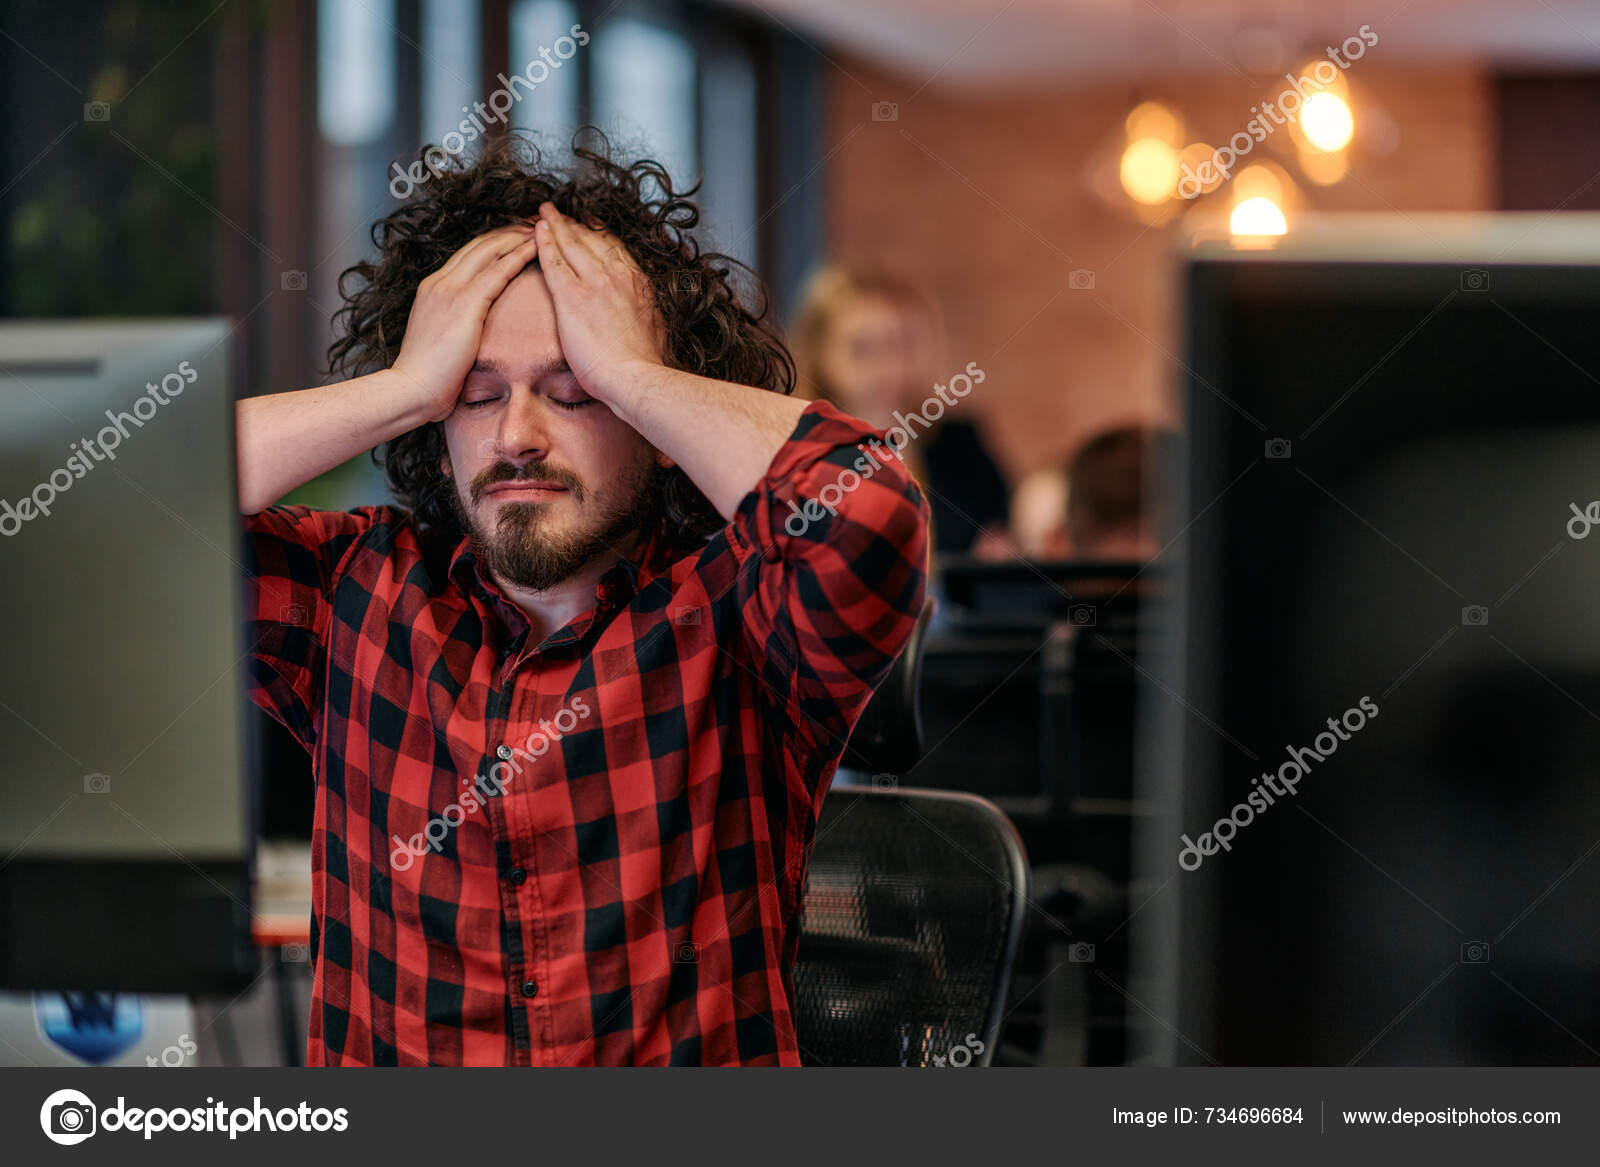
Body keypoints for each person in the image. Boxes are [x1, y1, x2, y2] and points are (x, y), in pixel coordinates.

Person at [236, 134, 929, 1066]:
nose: (517, 435)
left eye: (574, 393)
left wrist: (637, 373)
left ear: (654, 426)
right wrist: (400, 387)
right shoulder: (353, 594)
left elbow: (871, 514)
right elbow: (87, 502)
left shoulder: (741, 615)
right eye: (475, 397)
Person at [790, 263, 1010, 558]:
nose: (889, 368)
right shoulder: (796, 457)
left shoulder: (958, 443)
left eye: (901, 344)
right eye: (862, 349)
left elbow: (1001, 532)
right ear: (819, 356)